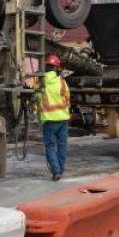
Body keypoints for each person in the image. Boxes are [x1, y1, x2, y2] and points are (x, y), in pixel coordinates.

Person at [36, 53, 71, 181]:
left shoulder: (40, 81)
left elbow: (36, 95)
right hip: (63, 119)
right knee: (62, 145)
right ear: (57, 67)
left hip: (49, 120)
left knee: (50, 145)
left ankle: (56, 171)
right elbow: (67, 98)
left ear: (46, 66)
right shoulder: (62, 82)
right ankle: (60, 169)